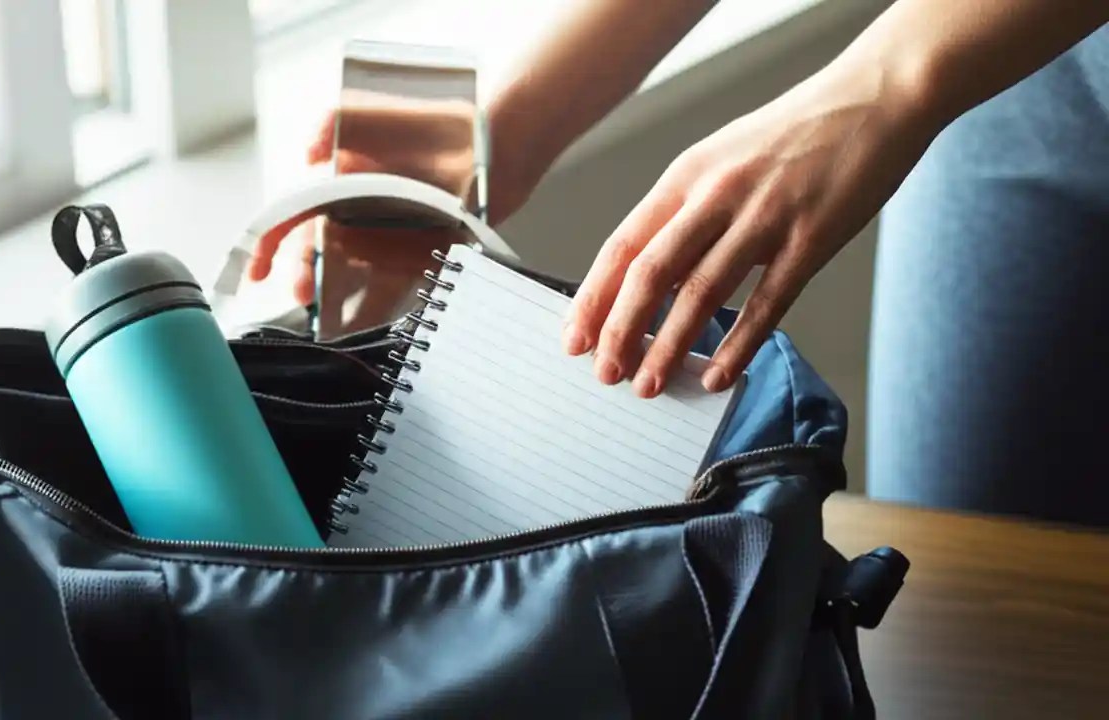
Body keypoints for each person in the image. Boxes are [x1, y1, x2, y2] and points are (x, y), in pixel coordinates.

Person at [248, 0, 1109, 526]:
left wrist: (883, 85)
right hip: (1019, 71)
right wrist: (511, 127)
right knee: (974, 600)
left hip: (953, 55)